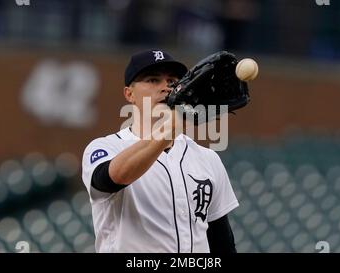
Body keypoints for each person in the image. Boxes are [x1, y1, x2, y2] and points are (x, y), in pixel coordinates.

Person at [81, 49, 239, 253]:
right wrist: (173, 125)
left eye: (173, 81)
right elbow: (115, 177)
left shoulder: (208, 159)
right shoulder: (105, 148)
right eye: (153, 80)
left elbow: (221, 243)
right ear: (129, 94)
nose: (165, 87)